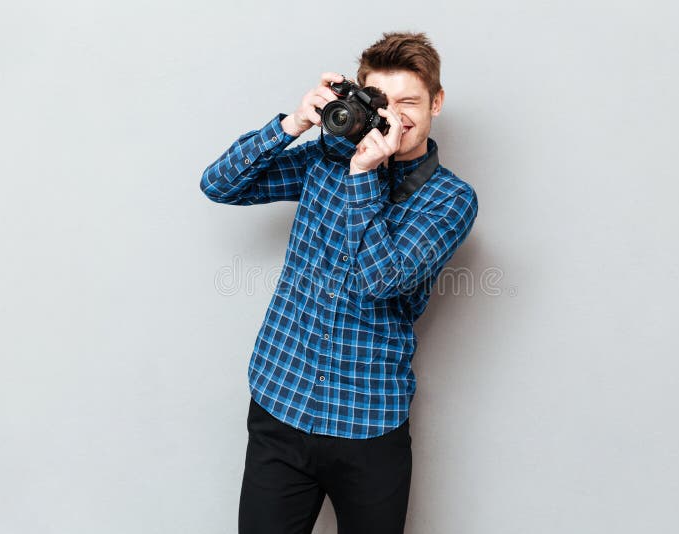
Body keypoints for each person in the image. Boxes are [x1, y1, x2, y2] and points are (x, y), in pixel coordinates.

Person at [200, 31, 478, 534]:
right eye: (382, 102)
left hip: (367, 423)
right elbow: (219, 184)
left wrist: (363, 173)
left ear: (437, 102)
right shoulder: (323, 161)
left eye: (410, 102)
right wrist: (294, 123)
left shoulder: (450, 199)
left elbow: (382, 278)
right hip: (280, 402)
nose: (395, 117)